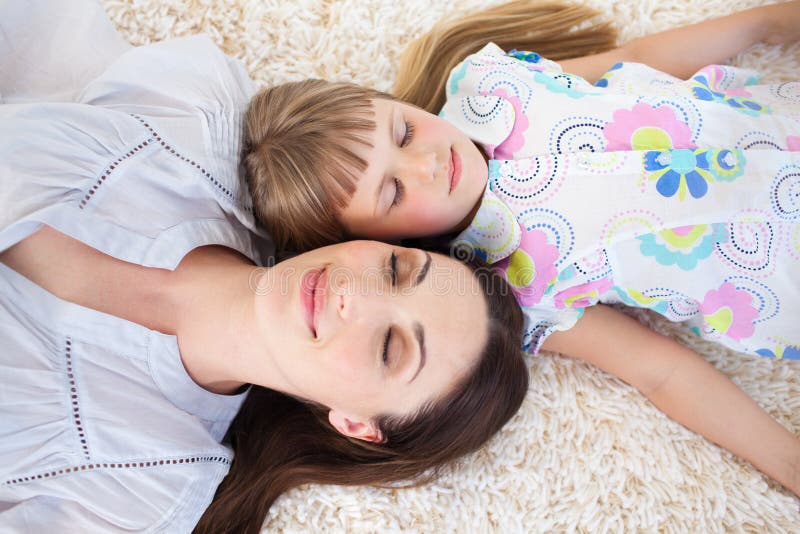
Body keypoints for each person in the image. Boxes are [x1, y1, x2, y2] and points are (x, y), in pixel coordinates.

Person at [0, 2, 528, 532]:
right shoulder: (200, 125)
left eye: (390, 347)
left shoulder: (140, 488)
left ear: (355, 424)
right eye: (394, 269)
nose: (356, 295)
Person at [242, 0, 800, 499]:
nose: (428, 164)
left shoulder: (488, 85)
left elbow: (634, 59)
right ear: (382, 242)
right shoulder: (508, 284)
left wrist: (762, 21)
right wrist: (787, 461)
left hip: (778, 130)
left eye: (405, 132)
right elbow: (659, 370)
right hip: (778, 268)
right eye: (393, 191)